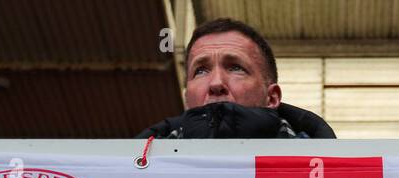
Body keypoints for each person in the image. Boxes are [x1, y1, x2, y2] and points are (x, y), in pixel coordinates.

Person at [138, 18, 335, 139]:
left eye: (236, 68)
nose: (216, 83)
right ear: (187, 99)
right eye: (200, 71)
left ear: (272, 97)